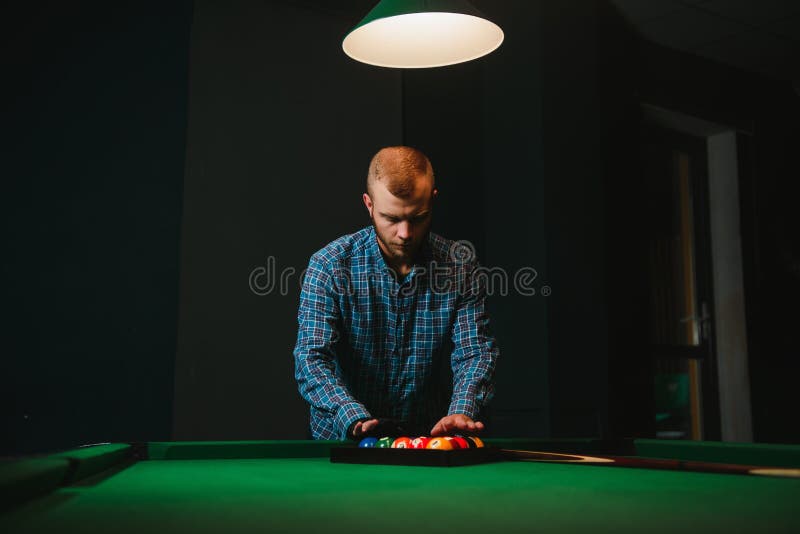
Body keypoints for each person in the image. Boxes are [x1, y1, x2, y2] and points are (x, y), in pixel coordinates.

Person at [293, 146, 499, 440]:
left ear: (433, 200)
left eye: (417, 217)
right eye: (391, 218)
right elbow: (311, 357)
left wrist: (462, 410)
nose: (405, 233)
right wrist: (353, 416)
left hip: (428, 439)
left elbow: (475, 352)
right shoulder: (328, 266)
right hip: (345, 442)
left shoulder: (460, 265)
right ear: (369, 205)